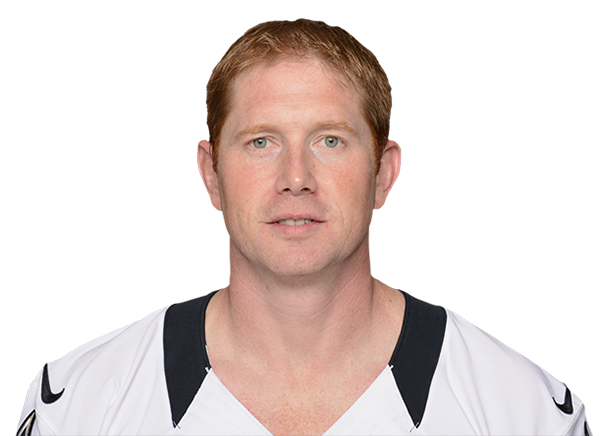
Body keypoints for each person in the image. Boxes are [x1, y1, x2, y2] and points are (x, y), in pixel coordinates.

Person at [17, 19, 588, 436]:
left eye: (329, 141)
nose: (296, 178)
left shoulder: (522, 410)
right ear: (211, 174)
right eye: (261, 142)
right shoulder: (80, 403)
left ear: (384, 174)